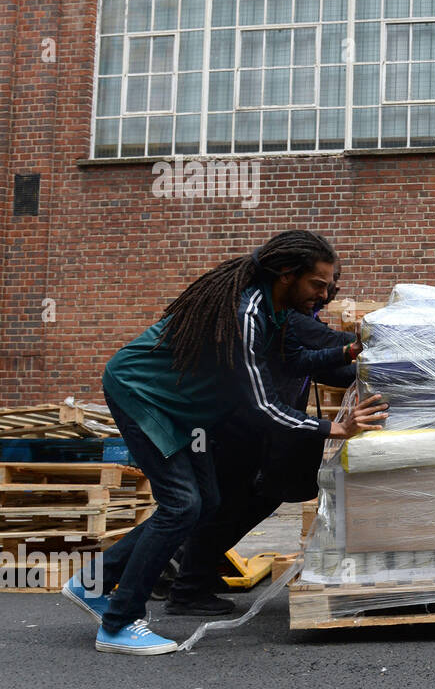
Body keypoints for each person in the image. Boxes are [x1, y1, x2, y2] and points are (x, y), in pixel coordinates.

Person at [61, 231, 387, 655]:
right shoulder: (246, 313)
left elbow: (291, 361)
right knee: (183, 505)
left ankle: (94, 583)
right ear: (287, 275)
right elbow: (258, 405)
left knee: (206, 501)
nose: (325, 294)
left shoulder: (275, 308)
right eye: (319, 284)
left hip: (182, 406)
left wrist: (345, 353)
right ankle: (120, 623)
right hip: (143, 394)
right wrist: (333, 430)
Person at [161, 266, 363, 615]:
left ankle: (192, 572)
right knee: (230, 505)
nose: (326, 294)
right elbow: (336, 346)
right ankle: (185, 587)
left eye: (331, 287)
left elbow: (322, 365)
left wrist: (364, 373)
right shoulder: (290, 320)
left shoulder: (290, 323)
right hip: (238, 431)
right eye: (322, 286)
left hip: (257, 432)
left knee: (248, 502)